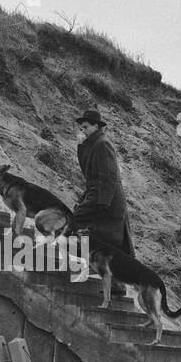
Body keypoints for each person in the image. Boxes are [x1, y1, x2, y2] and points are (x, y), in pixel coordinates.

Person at [71, 108, 134, 257]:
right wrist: (82, 200)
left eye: (86, 127)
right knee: (85, 226)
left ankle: (79, 264)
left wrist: (103, 203)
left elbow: (109, 176)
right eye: (81, 128)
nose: (82, 131)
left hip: (107, 200)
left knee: (76, 220)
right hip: (98, 197)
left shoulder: (102, 144)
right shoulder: (94, 144)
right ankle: (82, 264)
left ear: (96, 126)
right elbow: (91, 179)